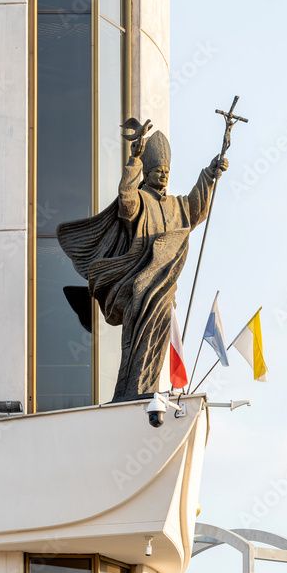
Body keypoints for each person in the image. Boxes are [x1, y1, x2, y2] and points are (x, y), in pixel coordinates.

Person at [57, 130, 228, 401]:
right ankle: (130, 393)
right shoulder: (141, 200)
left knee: (158, 342)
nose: (163, 175)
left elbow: (196, 207)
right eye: (158, 170)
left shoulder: (177, 205)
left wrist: (210, 173)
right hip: (140, 286)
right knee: (137, 343)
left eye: (167, 172)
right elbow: (126, 201)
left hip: (163, 289)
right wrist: (134, 161)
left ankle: (144, 392)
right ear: (147, 173)